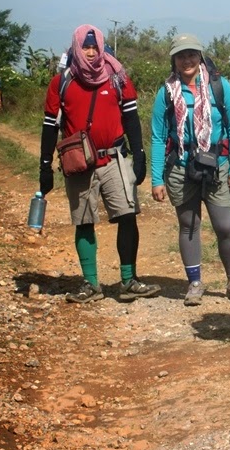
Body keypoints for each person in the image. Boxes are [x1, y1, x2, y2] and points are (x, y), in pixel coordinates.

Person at [39, 25, 160, 304]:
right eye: (85, 47)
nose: (91, 52)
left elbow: (131, 119)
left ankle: (129, 281)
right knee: (84, 221)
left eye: (95, 47)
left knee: (127, 216)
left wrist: (139, 155)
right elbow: (49, 126)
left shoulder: (117, 77)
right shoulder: (61, 83)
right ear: (76, 48)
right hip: (79, 163)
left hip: (115, 157)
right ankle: (91, 285)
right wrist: (44, 166)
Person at [151, 33, 230, 307]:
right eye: (181, 56)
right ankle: (194, 283)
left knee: (225, 226)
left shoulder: (219, 86)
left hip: (217, 166)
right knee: (189, 226)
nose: (187, 60)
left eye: (192, 54)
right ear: (174, 60)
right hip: (181, 167)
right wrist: (156, 178)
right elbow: (158, 137)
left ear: (200, 56)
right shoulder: (166, 92)